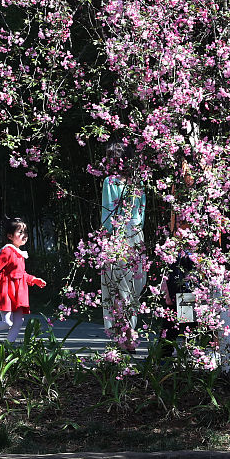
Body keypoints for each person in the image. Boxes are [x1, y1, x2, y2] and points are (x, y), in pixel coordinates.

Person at [100, 143, 146, 349]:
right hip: (136, 237)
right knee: (132, 288)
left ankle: (125, 334)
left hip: (117, 235)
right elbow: (141, 216)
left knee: (116, 287)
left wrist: (106, 237)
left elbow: (108, 212)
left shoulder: (110, 182)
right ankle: (129, 334)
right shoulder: (139, 184)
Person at [0, 219, 46, 345]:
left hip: (18, 293)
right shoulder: (7, 251)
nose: (24, 235)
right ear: (10, 236)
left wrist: (33, 280)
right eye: (20, 232)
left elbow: (21, 274)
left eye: (25, 232)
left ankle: (8, 348)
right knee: (7, 322)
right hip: (6, 292)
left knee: (19, 322)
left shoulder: (20, 253)